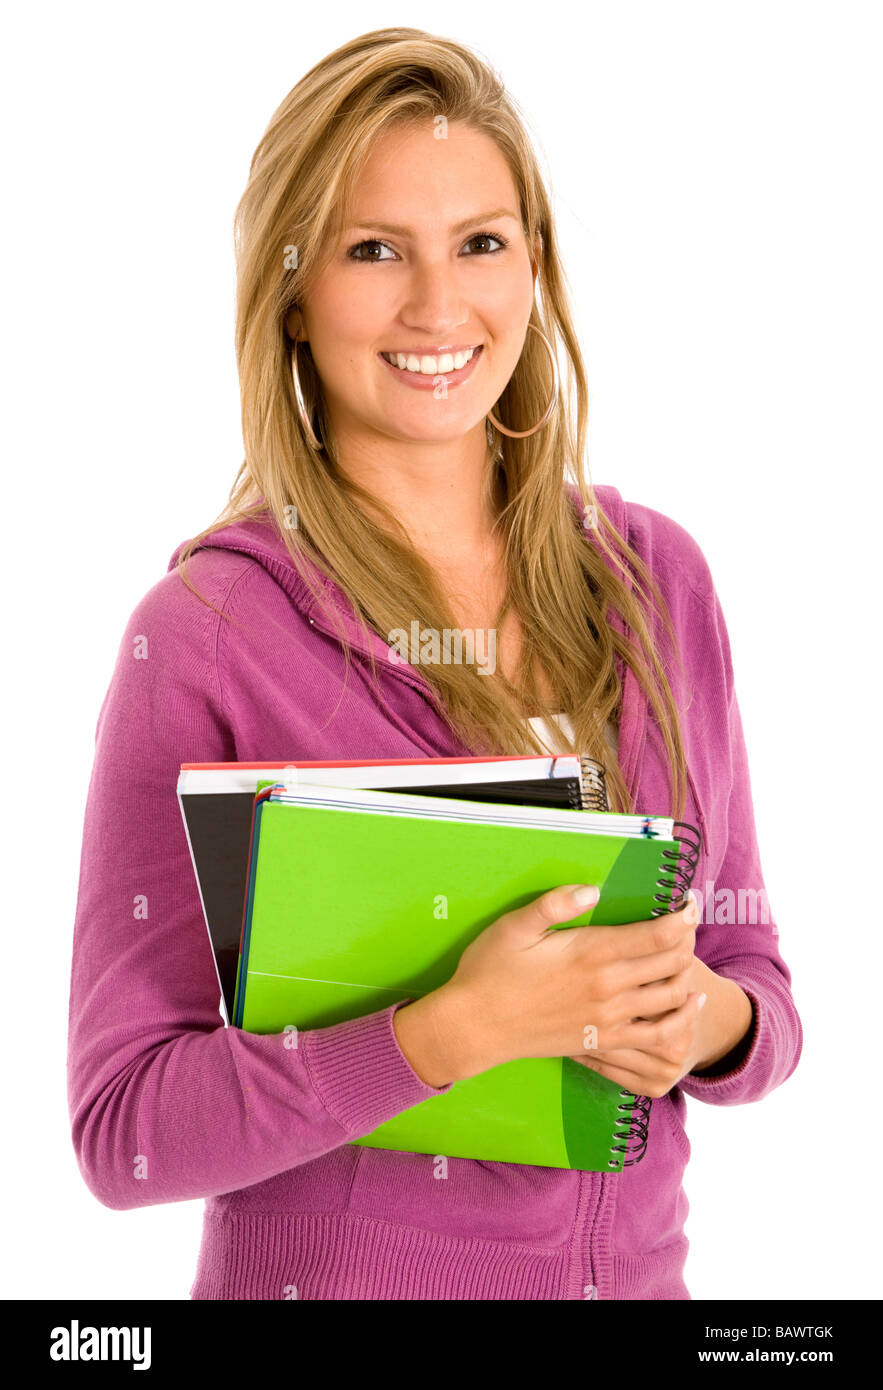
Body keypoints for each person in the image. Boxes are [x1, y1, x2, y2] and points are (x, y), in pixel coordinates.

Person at [67, 26, 803, 1300]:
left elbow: (755, 982)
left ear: (535, 267)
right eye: (373, 249)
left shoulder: (657, 580)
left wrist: (701, 1020)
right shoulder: (204, 636)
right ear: (291, 292)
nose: (437, 307)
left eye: (480, 242)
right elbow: (123, 1128)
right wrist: (446, 1033)